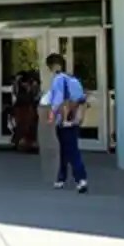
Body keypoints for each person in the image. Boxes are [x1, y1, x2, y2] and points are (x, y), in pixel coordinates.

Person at [46, 53, 89, 193]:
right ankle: (61, 178)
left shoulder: (58, 80)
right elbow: (81, 98)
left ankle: (81, 178)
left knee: (70, 150)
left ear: (53, 66)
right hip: (74, 119)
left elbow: (57, 100)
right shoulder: (73, 79)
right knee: (66, 149)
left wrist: (52, 114)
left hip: (63, 120)